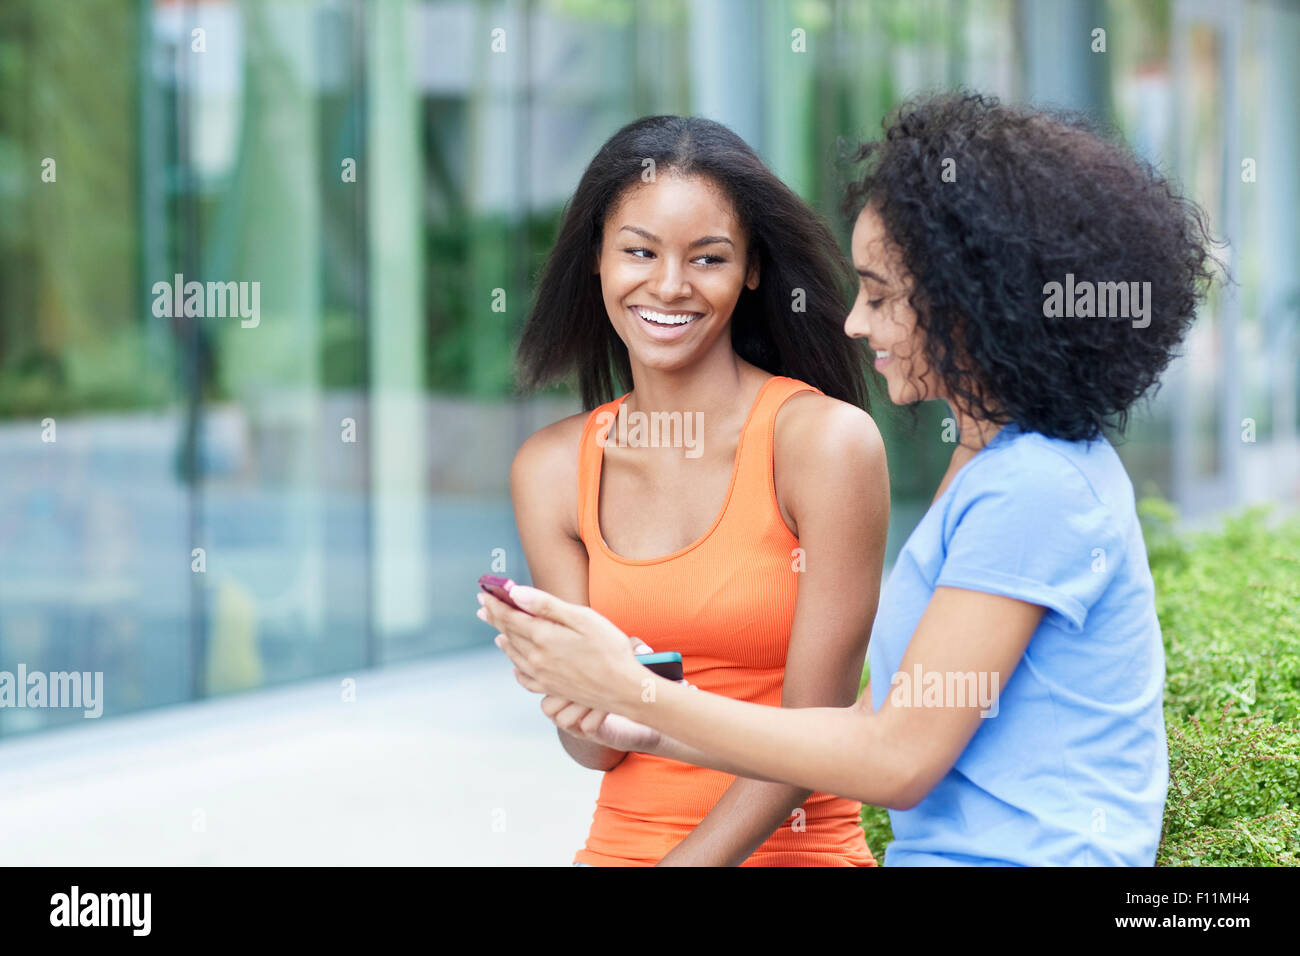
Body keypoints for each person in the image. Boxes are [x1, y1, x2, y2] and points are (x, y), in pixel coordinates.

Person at [482, 93, 1219, 866]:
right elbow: (871, 724)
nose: (854, 324)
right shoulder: (995, 469)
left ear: (973, 305)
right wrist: (605, 693)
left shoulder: (1037, 489)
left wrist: (634, 692)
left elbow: (894, 759)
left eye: (882, 295)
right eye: (638, 252)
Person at [507, 115, 890, 866]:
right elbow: (594, 754)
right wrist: (565, 679)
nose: (670, 285)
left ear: (751, 269)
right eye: (639, 252)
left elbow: (816, 726)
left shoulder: (824, 444)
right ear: (596, 259)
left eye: (707, 258)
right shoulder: (550, 469)